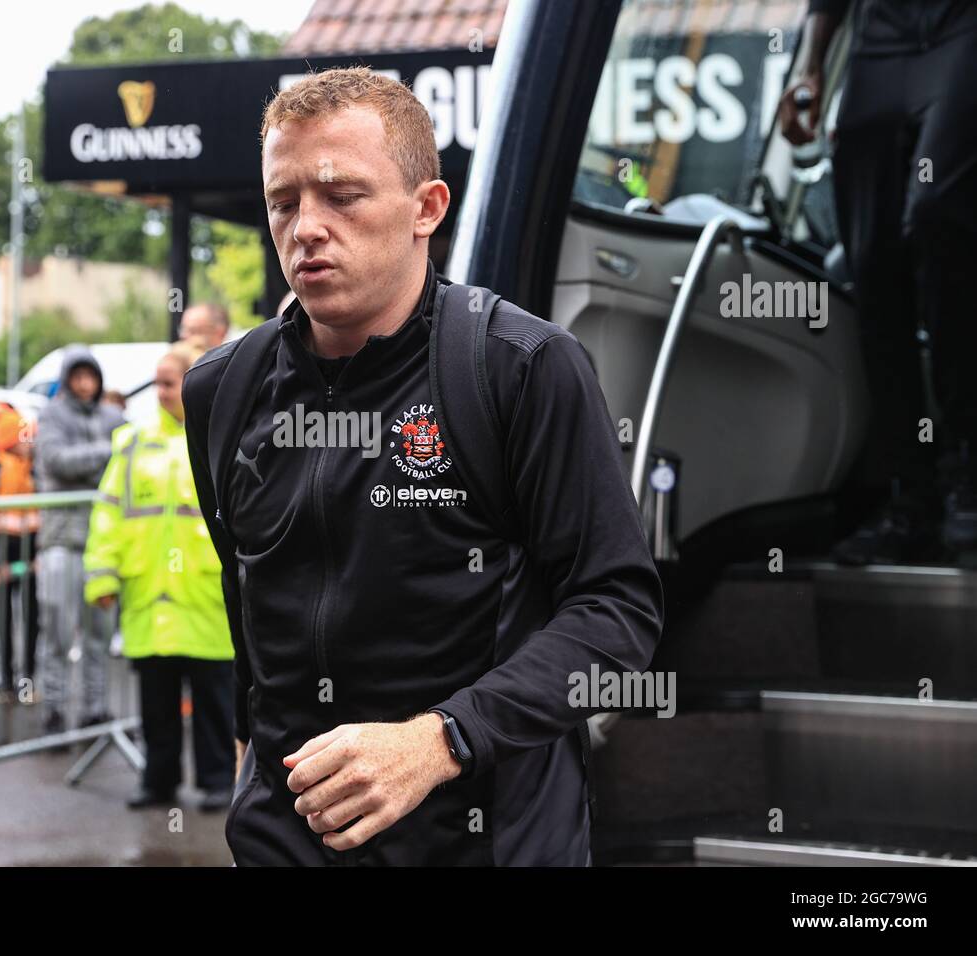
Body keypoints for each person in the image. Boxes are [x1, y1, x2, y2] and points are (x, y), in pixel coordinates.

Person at [182, 68, 662, 865]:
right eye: (284, 200)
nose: (306, 227)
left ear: (426, 208)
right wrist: (250, 789)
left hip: (488, 840)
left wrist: (440, 741)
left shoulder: (521, 367)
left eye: (342, 196)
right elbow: (250, 610)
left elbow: (618, 615)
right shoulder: (221, 390)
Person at [780, 0, 977, 566]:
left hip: (962, 25)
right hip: (882, 34)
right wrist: (808, 65)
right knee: (872, 253)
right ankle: (908, 497)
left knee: (938, 214)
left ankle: (967, 465)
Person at [85, 339, 234, 811]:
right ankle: (159, 780)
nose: (161, 392)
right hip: (149, 593)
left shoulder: (222, 435)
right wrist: (102, 576)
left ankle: (218, 781)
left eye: (169, 383)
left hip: (205, 594)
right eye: (159, 384)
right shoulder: (133, 442)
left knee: (214, 698)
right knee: (156, 701)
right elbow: (109, 511)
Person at [34, 348, 125, 733]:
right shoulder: (52, 415)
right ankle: (53, 708)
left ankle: (95, 709)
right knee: (56, 626)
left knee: (99, 634)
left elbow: (127, 462)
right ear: (68, 380)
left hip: (103, 542)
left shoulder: (112, 415)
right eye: (78, 377)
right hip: (62, 539)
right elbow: (57, 461)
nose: (85, 384)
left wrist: (96, 461)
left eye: (91, 376)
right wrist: (108, 453)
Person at [0, 403, 40, 701]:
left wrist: (38, 556)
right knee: (1, 620)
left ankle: (26, 681)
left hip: (31, 560)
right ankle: (5, 680)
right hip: (0, 561)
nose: (29, 443)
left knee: (30, 620)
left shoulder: (35, 473)